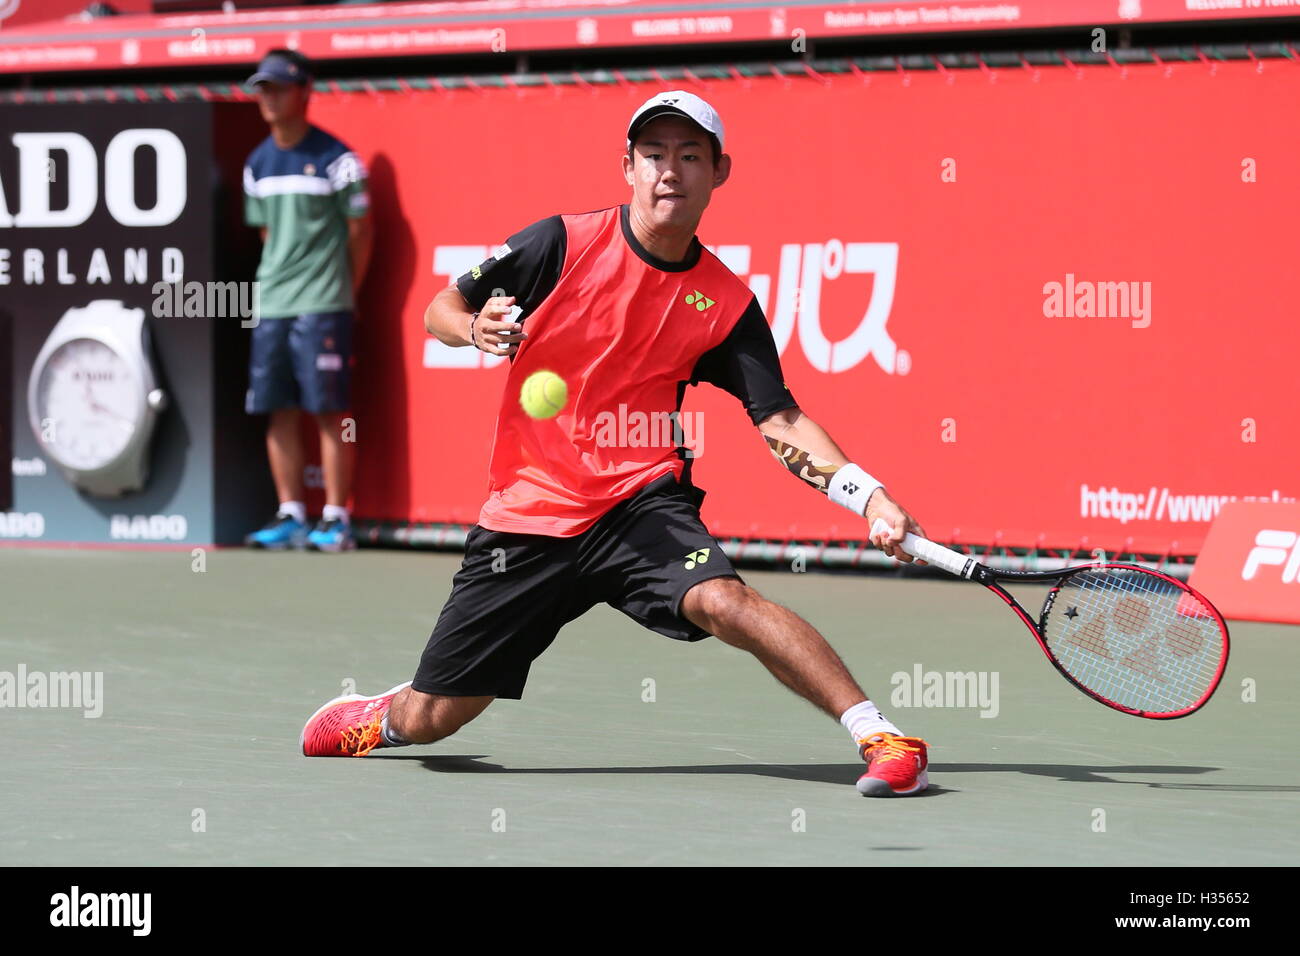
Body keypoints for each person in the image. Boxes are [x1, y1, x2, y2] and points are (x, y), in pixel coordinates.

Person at [301, 91, 932, 796]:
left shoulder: (723, 305)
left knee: (724, 601)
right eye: (654, 156)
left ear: (719, 172)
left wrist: (869, 496)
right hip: (528, 515)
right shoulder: (559, 245)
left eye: (690, 156)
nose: (670, 172)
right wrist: (474, 329)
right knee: (439, 716)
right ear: (627, 168)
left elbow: (780, 421)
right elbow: (439, 309)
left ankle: (880, 736)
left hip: (639, 504)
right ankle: (387, 714)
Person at [241, 48, 373, 553]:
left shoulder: (339, 160)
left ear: (303, 92)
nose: (268, 99)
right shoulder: (257, 162)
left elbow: (361, 231)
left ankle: (337, 519)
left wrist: (344, 291)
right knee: (277, 410)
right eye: (262, 89)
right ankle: (292, 513)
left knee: (330, 410)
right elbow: (268, 234)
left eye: (277, 88)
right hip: (272, 303)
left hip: (324, 303)